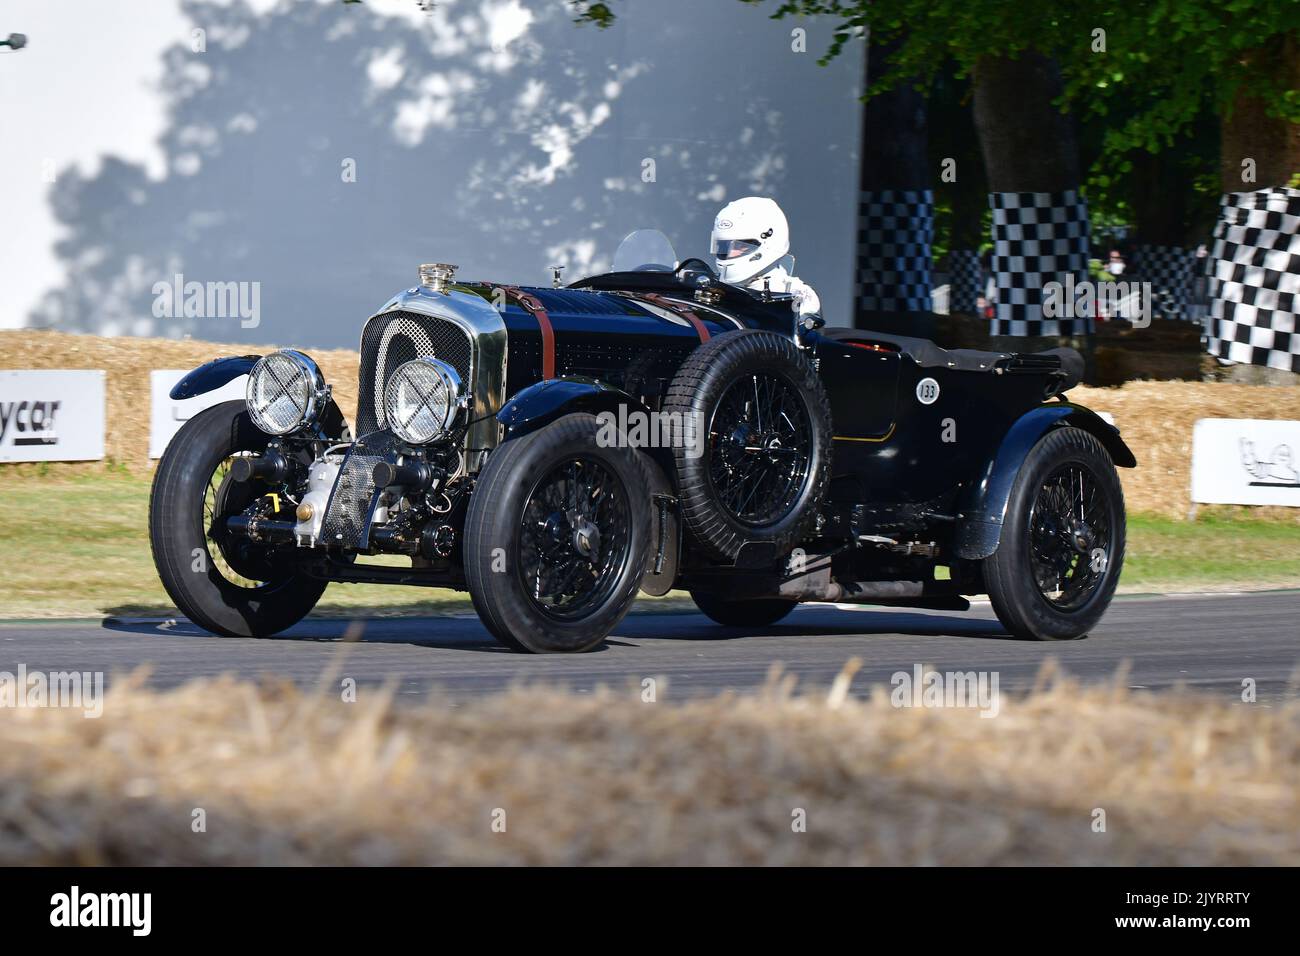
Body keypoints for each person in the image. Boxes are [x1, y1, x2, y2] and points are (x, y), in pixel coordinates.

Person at [711, 197, 821, 318]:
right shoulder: (712, 288)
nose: (731, 254)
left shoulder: (797, 294)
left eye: (740, 246)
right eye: (724, 246)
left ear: (768, 242)